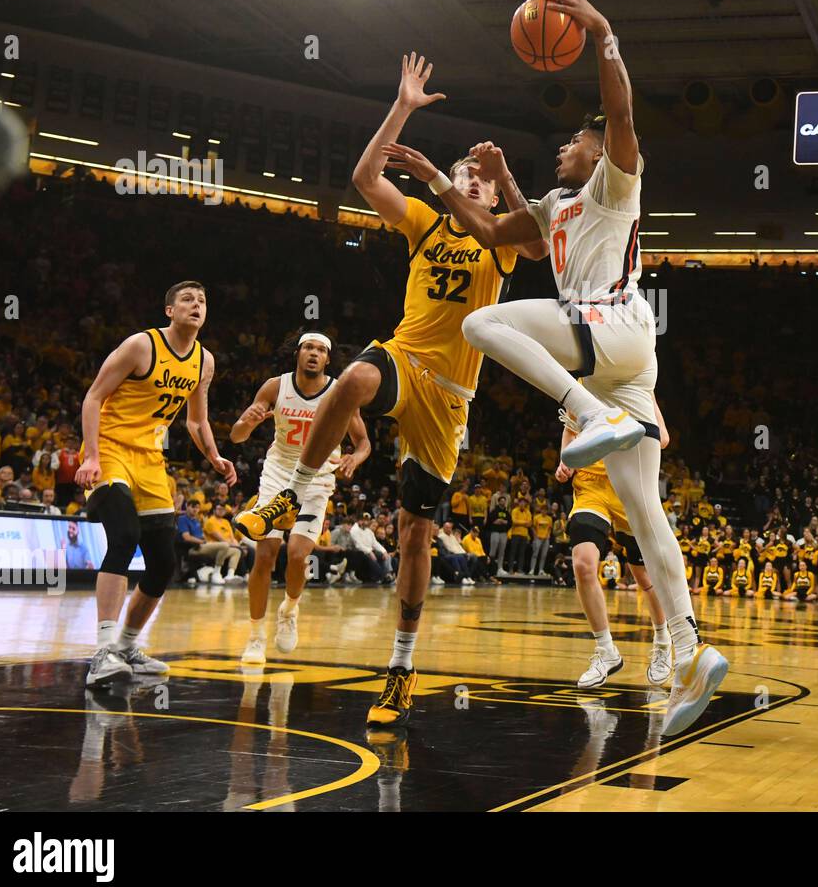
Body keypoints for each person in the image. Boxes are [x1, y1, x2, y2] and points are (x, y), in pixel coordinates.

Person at [384, 0, 726, 737]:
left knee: (482, 322)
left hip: (615, 330)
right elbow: (494, 229)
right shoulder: (551, 204)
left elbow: (622, 116)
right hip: (624, 362)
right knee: (645, 510)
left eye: (574, 138)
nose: (565, 145)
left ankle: (590, 412)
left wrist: (603, 33)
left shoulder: (613, 181)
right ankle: (692, 647)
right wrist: (443, 181)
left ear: (597, 153)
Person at [237, 53, 545, 729]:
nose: (463, 182)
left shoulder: (496, 240)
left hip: (450, 395)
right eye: (460, 175)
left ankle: (401, 668)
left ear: (485, 196)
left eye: (473, 181)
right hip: (404, 357)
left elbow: (539, 246)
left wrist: (501, 176)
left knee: (413, 536)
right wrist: (402, 105)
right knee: (354, 376)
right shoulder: (425, 224)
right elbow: (363, 176)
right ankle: (289, 492)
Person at [75, 281, 237, 688]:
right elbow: (93, 397)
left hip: (150, 459)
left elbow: (196, 421)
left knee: (164, 562)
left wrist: (214, 456)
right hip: (110, 449)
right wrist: (91, 455)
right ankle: (103, 650)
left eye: (202, 300)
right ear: (169, 310)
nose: (196, 305)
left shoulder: (205, 361)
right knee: (125, 535)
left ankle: (128, 647)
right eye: (187, 299)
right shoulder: (140, 345)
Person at [231, 333, 370, 664]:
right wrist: (246, 424)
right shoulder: (274, 387)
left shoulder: (339, 392)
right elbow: (236, 436)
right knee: (265, 555)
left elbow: (363, 442)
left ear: (327, 360)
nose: (314, 353)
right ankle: (255, 637)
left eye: (321, 350)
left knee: (297, 555)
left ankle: (290, 610)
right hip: (278, 474)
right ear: (298, 353)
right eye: (309, 347)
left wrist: (354, 458)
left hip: (317, 479)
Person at [555, 399, 673, 687]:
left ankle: (662, 641)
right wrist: (565, 460)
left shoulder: (636, 382)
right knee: (583, 565)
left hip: (628, 487)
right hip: (590, 489)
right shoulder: (579, 387)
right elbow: (570, 430)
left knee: (645, 578)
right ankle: (606, 650)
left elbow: (664, 438)